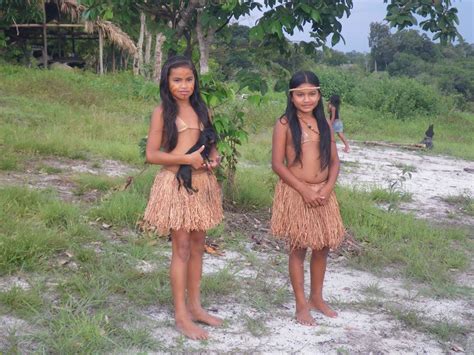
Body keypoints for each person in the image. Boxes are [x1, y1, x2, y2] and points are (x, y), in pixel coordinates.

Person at [143, 55, 223, 340]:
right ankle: (180, 315)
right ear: (166, 81)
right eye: (177, 80)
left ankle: (196, 307)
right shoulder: (162, 112)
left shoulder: (202, 109)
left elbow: (210, 144)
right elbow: (152, 155)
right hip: (176, 185)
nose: (184, 85)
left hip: (202, 185)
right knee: (182, 247)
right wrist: (186, 160)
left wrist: (214, 158)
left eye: (189, 79)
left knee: (199, 244)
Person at [270, 71, 345, 326]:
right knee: (298, 247)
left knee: (323, 246)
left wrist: (327, 188)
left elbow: (335, 162)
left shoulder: (324, 122)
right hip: (296, 192)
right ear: (291, 97)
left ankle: (317, 298)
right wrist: (304, 190)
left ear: (319, 94)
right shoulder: (283, 124)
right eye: (300, 95)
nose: (306, 99)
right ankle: (301, 305)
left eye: (312, 93)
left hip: (323, 193)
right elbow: (277, 165)